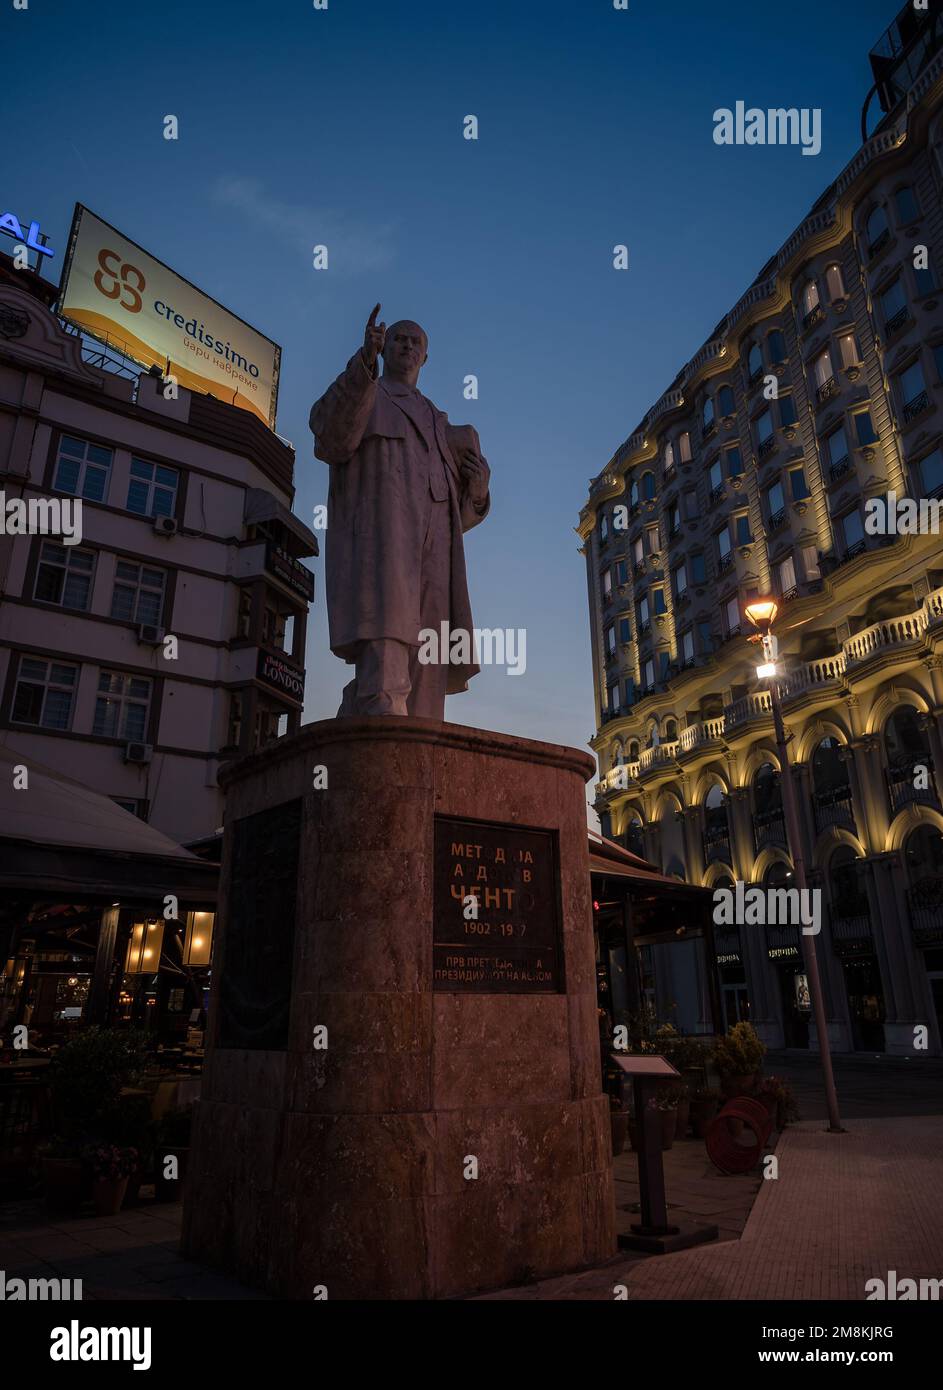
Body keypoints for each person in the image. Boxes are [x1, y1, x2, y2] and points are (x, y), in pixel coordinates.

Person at [310, 306, 491, 718]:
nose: (407, 345)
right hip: (383, 543)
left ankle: (418, 740)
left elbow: (453, 515)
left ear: (425, 358)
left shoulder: (439, 423)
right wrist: (363, 364)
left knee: (430, 653)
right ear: (383, 346)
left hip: (434, 559)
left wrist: (477, 492)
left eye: (416, 342)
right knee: (386, 635)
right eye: (399, 338)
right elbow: (330, 439)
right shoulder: (366, 391)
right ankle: (377, 727)